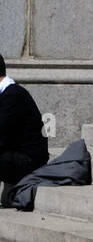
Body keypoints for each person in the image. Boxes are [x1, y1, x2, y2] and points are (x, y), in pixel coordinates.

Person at [0, 53, 49, 203]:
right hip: (17, 155)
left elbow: (2, 136)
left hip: (30, 160)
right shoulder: (7, 94)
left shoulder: (13, 95)